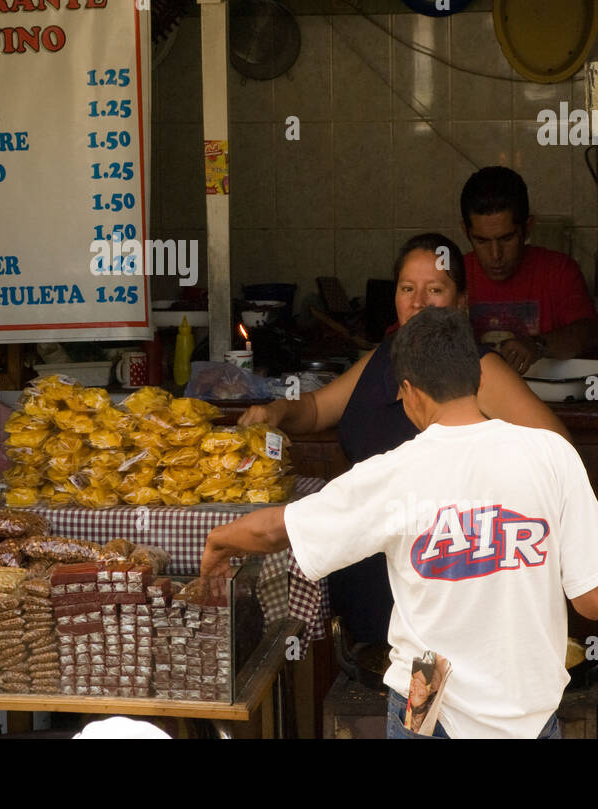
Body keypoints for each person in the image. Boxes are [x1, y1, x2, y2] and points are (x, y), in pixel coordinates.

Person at [202, 307, 598, 739]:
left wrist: (220, 539)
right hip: (529, 718)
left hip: (428, 702)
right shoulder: (551, 454)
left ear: (409, 393)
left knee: (419, 689)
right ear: (477, 376)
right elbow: (596, 599)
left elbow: (274, 529)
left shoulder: (394, 473)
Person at [240, 232, 568, 645]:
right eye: (407, 289)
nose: (418, 302)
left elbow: (559, 453)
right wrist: (278, 410)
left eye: (435, 290)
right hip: (367, 590)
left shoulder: (480, 372)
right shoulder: (384, 357)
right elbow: (319, 409)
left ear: (461, 301)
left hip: (446, 597)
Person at [460, 166, 598, 374]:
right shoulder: (451, 276)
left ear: (527, 227)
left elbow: (591, 335)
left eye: (507, 239)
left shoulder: (558, 270)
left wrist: (537, 345)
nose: (495, 255)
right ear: (466, 232)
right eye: (481, 241)